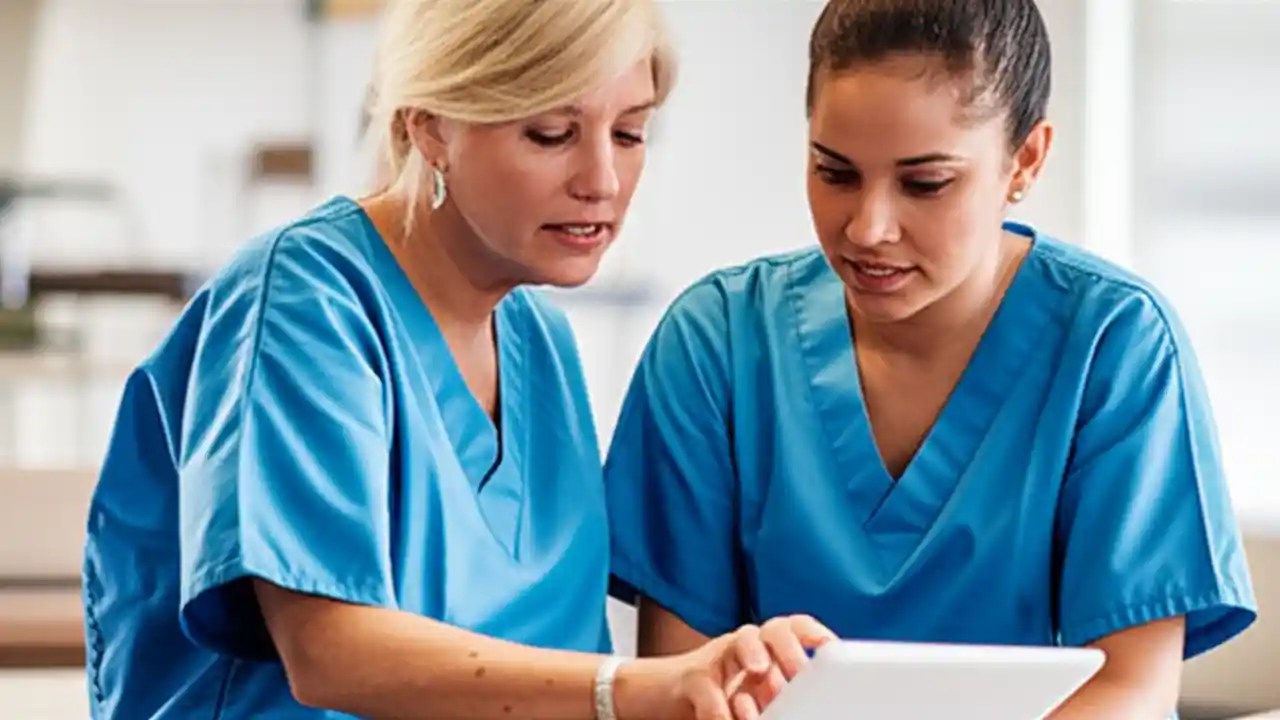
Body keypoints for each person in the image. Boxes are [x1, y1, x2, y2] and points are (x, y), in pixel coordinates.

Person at [81, 1, 834, 718]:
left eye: (630, 134)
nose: (601, 181)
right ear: (430, 127)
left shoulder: (540, 344)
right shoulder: (304, 302)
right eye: (550, 134)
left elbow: (554, 668)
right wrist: (636, 689)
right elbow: (328, 653)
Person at [604, 0, 1258, 716]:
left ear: (1026, 160)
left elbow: (1129, 688)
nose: (868, 227)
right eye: (835, 172)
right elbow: (683, 682)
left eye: (925, 184)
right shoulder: (717, 342)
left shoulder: (1115, 345)